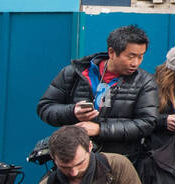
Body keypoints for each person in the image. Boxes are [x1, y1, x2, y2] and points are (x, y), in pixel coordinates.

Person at [37, 23, 158, 164]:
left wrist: (100, 129)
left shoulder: (145, 82)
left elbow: (147, 123)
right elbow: (45, 108)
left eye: (140, 57)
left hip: (118, 162)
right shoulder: (73, 73)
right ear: (111, 52)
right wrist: (72, 112)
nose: (135, 63)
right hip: (74, 160)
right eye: (130, 56)